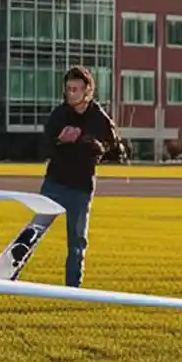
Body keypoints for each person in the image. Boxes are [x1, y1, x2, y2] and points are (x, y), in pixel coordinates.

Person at [39, 65, 125, 288]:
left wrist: (87, 141)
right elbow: (45, 147)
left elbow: (115, 149)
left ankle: (72, 289)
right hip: (54, 183)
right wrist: (61, 140)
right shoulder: (59, 114)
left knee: (77, 242)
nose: (71, 93)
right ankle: (10, 278)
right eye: (68, 89)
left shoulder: (99, 117)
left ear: (88, 91)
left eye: (76, 89)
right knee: (33, 233)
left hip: (81, 188)